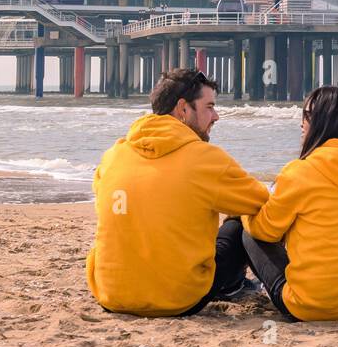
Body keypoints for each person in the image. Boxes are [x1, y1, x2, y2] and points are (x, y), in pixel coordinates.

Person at [86, 68, 269, 317]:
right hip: (179, 299)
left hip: (111, 296)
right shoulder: (205, 159)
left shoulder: (113, 156)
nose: (216, 116)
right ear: (183, 109)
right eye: (209, 107)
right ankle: (234, 285)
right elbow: (262, 201)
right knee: (239, 221)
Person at [242, 85, 338, 322]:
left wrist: (244, 212)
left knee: (248, 232)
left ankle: (229, 286)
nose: (302, 123)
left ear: (323, 122)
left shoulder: (300, 172)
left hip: (312, 305)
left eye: (307, 115)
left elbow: (265, 231)